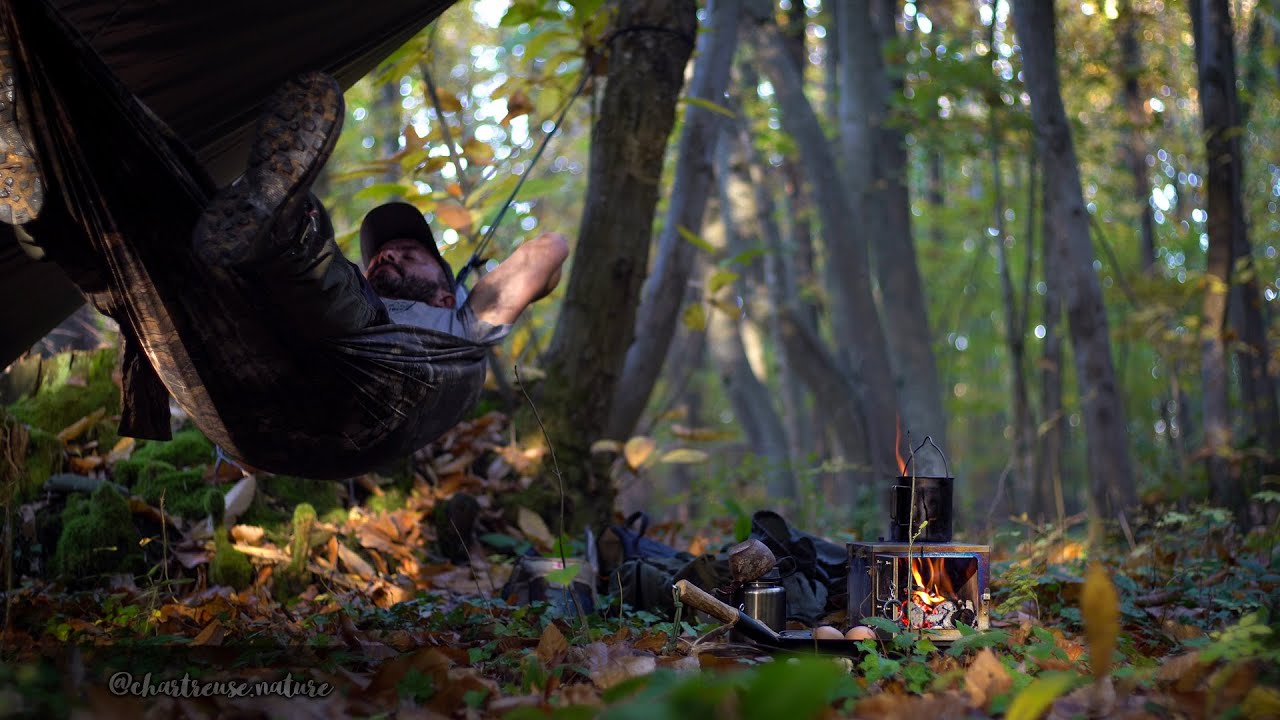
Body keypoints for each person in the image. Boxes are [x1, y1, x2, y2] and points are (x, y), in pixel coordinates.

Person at [191, 71, 568, 353]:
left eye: (409, 254)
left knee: (325, 271)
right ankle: (269, 217)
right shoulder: (352, 286)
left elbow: (549, 249)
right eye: (383, 255)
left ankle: (285, 220)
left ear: (445, 296)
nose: (387, 254)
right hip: (296, 349)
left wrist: (515, 294)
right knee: (325, 279)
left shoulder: (461, 323)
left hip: (380, 367)